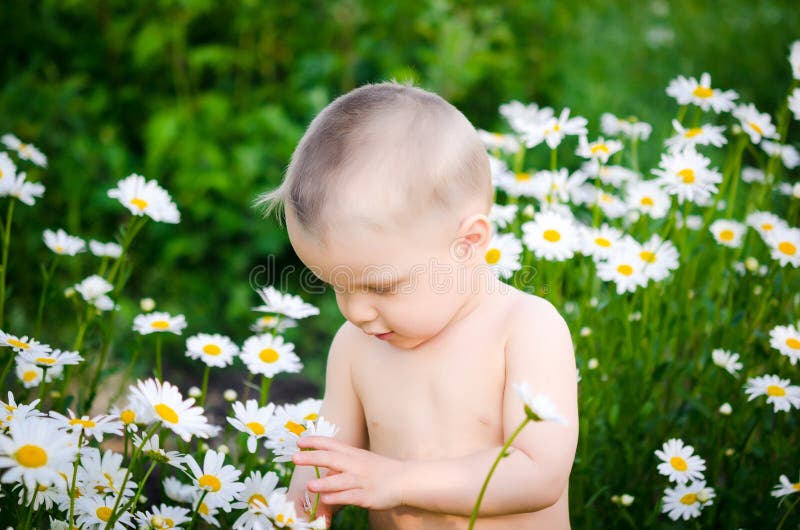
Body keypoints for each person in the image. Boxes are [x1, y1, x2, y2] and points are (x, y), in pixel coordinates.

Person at [254, 81, 578, 529]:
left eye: (382, 287)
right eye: (337, 285)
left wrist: (400, 480)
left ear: (468, 244)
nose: (355, 311)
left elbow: (539, 474)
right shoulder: (354, 348)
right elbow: (322, 462)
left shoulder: (525, 329)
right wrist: (301, 509)